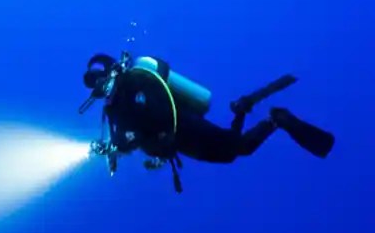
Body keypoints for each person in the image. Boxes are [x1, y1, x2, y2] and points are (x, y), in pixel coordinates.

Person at [81, 52, 334, 192]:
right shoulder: (114, 110)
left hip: (185, 126)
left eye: (102, 81)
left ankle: (270, 116)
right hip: (178, 144)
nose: (102, 88)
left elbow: (161, 113)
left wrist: (137, 141)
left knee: (238, 147)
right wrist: (112, 148)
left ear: (111, 72)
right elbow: (127, 138)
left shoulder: (136, 81)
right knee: (235, 152)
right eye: (98, 87)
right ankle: (260, 114)